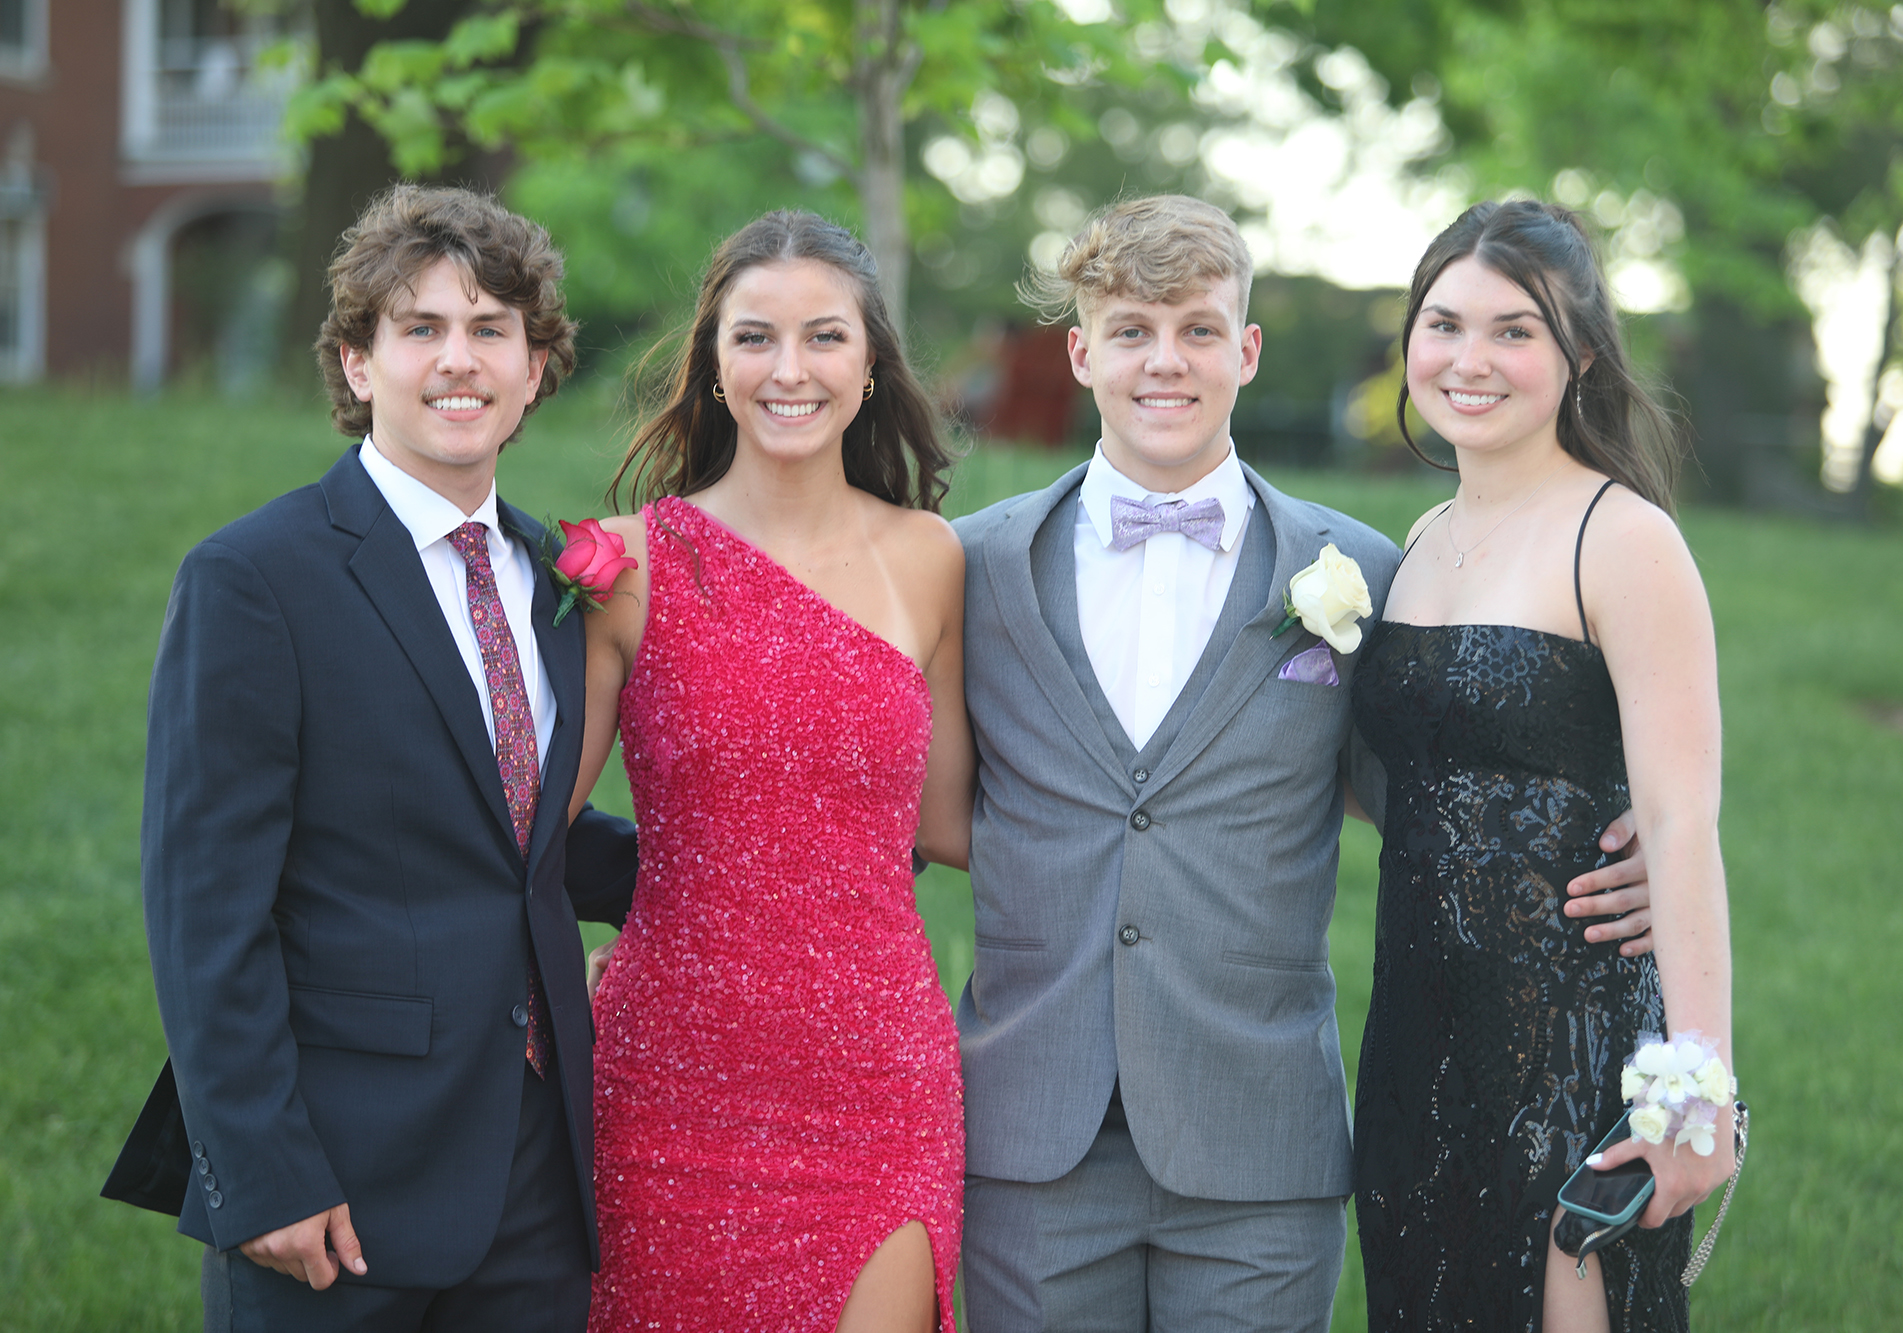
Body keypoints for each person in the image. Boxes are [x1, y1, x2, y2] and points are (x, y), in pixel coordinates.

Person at [949, 194, 1658, 1333]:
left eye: (1195, 328)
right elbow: (914, 803)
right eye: (1129, 330)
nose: (1163, 360)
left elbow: (1442, 790)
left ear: (1247, 347)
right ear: (1079, 352)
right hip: (1028, 1138)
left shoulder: (1361, 570)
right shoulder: (977, 567)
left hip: (1257, 1152)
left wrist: (1622, 854)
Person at [99, 184, 637, 1332]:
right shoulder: (256, 578)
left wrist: (785, 861)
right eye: (420, 328)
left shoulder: (555, 580)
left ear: (535, 369)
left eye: (493, 329)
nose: (460, 360)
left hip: (536, 1165)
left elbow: (521, 835)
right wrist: (264, 1168)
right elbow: (205, 902)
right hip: (338, 1173)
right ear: (356, 364)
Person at [567, 210, 973, 1332]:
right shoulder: (623, 565)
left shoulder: (930, 557)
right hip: (667, 1075)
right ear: (710, 363)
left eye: (823, 337)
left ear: (870, 362)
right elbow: (522, 825)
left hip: (875, 1079)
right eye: (754, 338)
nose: (788, 370)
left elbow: (952, 826)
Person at [1348, 198, 1736, 1331]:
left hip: (1563, 1039)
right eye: (1443, 323)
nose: (1470, 359)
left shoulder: (1620, 539)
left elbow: (1677, 822)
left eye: (1513, 331)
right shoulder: (1418, 540)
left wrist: (1695, 1090)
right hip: (1414, 1042)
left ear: (1576, 357)